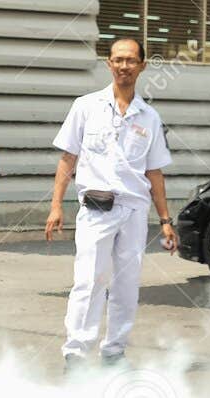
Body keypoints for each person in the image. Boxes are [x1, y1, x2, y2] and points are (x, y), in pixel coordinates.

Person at [45, 37, 176, 369]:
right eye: (118, 60)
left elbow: (155, 172)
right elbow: (67, 159)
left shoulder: (149, 117)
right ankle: (76, 353)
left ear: (142, 66)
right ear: (109, 64)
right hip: (95, 210)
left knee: (126, 286)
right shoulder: (85, 106)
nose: (124, 66)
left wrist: (165, 220)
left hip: (133, 212)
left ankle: (114, 352)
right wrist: (56, 206)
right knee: (89, 281)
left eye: (131, 60)